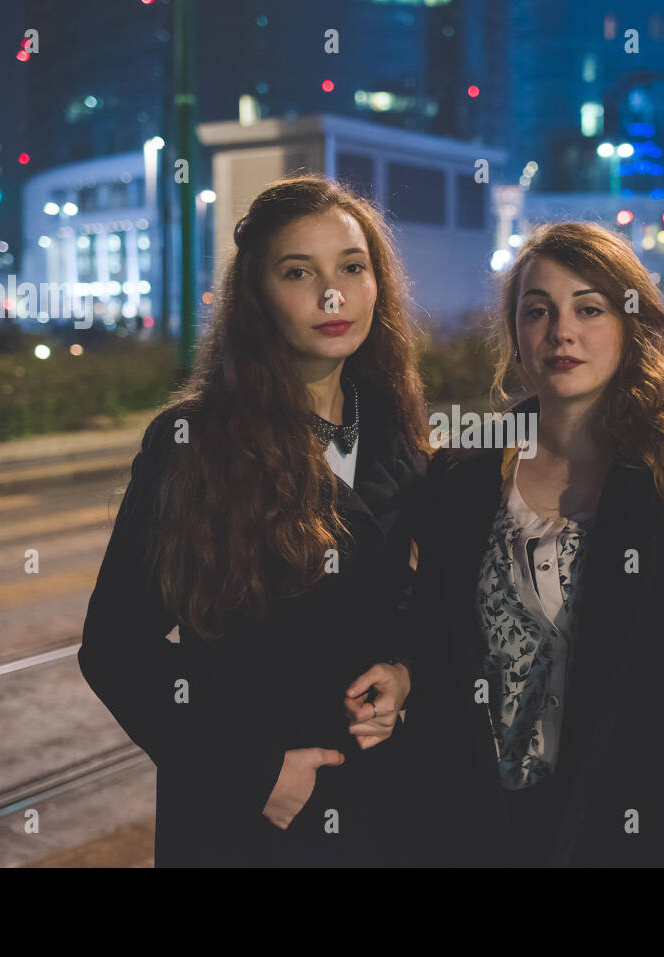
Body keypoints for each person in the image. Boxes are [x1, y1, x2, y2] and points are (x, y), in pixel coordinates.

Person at [398, 221, 664, 867]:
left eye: (589, 308)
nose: (561, 331)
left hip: (653, 829)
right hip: (491, 825)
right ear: (516, 334)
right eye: (537, 310)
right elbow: (435, 633)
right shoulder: (463, 472)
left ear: (633, 324)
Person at [79, 175, 427, 866]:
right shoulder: (193, 442)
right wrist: (251, 771)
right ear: (257, 299)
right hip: (246, 820)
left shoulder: (396, 431)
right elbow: (117, 646)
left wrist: (406, 672)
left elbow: (419, 601)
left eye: (352, 268)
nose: (333, 294)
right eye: (299, 272)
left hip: (379, 812)